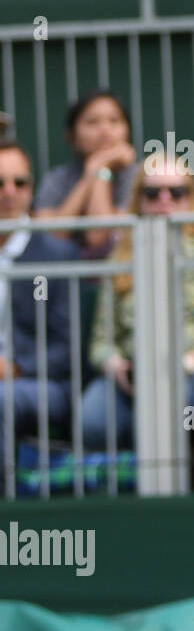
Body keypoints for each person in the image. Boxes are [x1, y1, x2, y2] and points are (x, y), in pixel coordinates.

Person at [82, 157, 194, 451]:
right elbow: (101, 340)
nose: (164, 200)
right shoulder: (120, 256)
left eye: (176, 192)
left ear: (191, 197)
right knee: (92, 421)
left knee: (173, 412)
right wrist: (115, 365)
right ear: (138, 199)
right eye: (153, 193)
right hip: (132, 376)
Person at [0, 139, 80, 447]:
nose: (9, 192)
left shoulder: (56, 255)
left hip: (44, 385)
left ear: (31, 188)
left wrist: (16, 368)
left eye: (19, 183)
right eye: (0, 182)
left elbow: (67, 349)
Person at [32, 89, 137, 257]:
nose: (105, 130)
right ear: (72, 135)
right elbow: (48, 239)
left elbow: (99, 237)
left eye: (114, 121)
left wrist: (100, 169)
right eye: (92, 122)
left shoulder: (138, 177)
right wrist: (93, 172)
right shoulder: (56, 179)